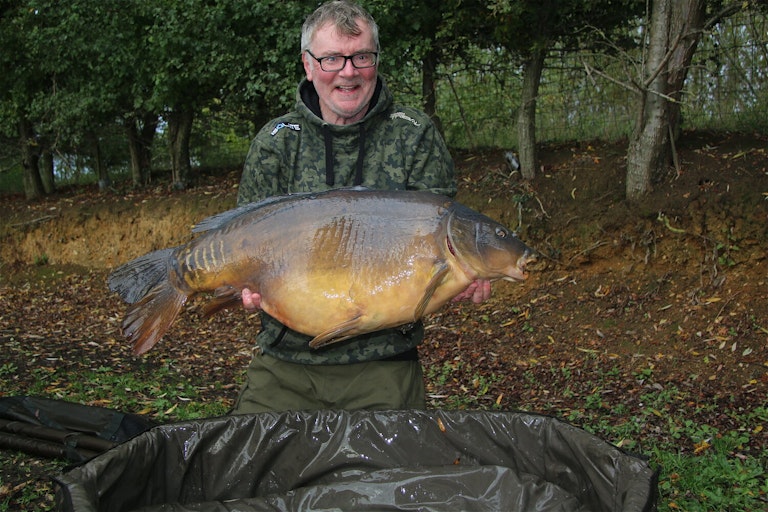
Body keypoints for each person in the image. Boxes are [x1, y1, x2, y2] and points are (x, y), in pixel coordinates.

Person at [231, 0, 490, 414]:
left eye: (361, 57)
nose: (348, 72)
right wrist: (241, 285)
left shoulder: (415, 136)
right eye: (332, 58)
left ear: (375, 60)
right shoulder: (276, 142)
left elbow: (438, 249)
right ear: (308, 64)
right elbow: (245, 241)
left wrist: (460, 277)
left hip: (384, 362)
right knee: (249, 471)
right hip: (285, 362)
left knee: (389, 478)